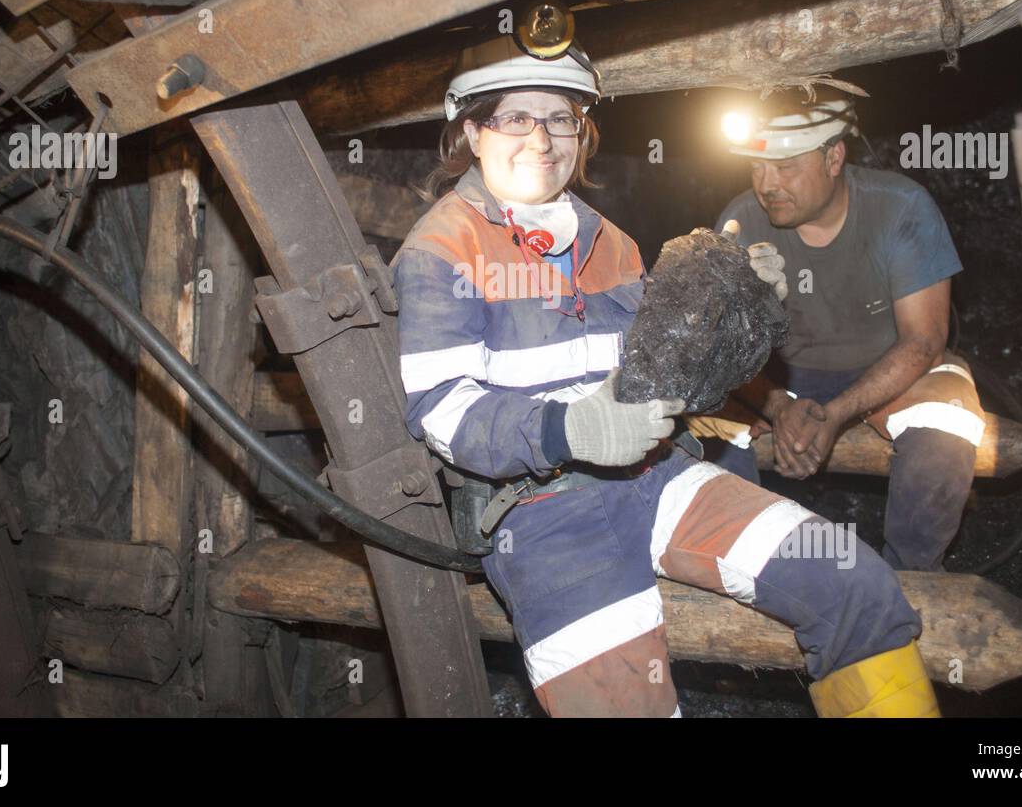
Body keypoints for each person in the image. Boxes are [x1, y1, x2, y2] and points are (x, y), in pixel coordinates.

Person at [391, 35, 938, 717]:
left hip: (661, 477)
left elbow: (669, 373)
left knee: (854, 582)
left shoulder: (608, 240)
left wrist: (738, 316)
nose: (542, 139)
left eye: (561, 118)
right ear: (472, 131)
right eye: (514, 118)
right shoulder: (441, 249)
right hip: (543, 517)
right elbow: (442, 411)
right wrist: (569, 427)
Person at [712, 95, 983, 572]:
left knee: (949, 419)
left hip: (888, 374)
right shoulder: (742, 219)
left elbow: (923, 341)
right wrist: (776, 405)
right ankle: (741, 572)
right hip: (779, 378)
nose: (766, 185)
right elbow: (727, 345)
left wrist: (834, 415)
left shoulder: (899, 208)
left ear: (833, 157)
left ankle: (914, 578)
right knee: (700, 420)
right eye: (757, 167)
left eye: (785, 167)